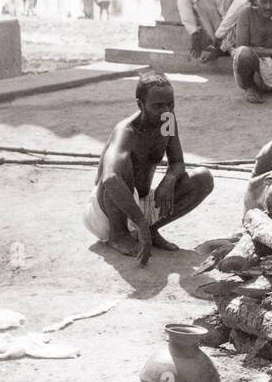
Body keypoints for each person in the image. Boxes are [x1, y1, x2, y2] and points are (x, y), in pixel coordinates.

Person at [83, 71, 214, 266]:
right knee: (122, 166)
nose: (166, 110)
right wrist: (141, 223)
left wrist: (169, 180)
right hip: (107, 214)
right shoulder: (126, 132)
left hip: (139, 204)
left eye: (170, 103)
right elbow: (110, 179)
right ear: (140, 104)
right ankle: (119, 236)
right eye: (158, 106)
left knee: (203, 178)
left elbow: (177, 163)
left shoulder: (167, 121)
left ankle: (151, 231)